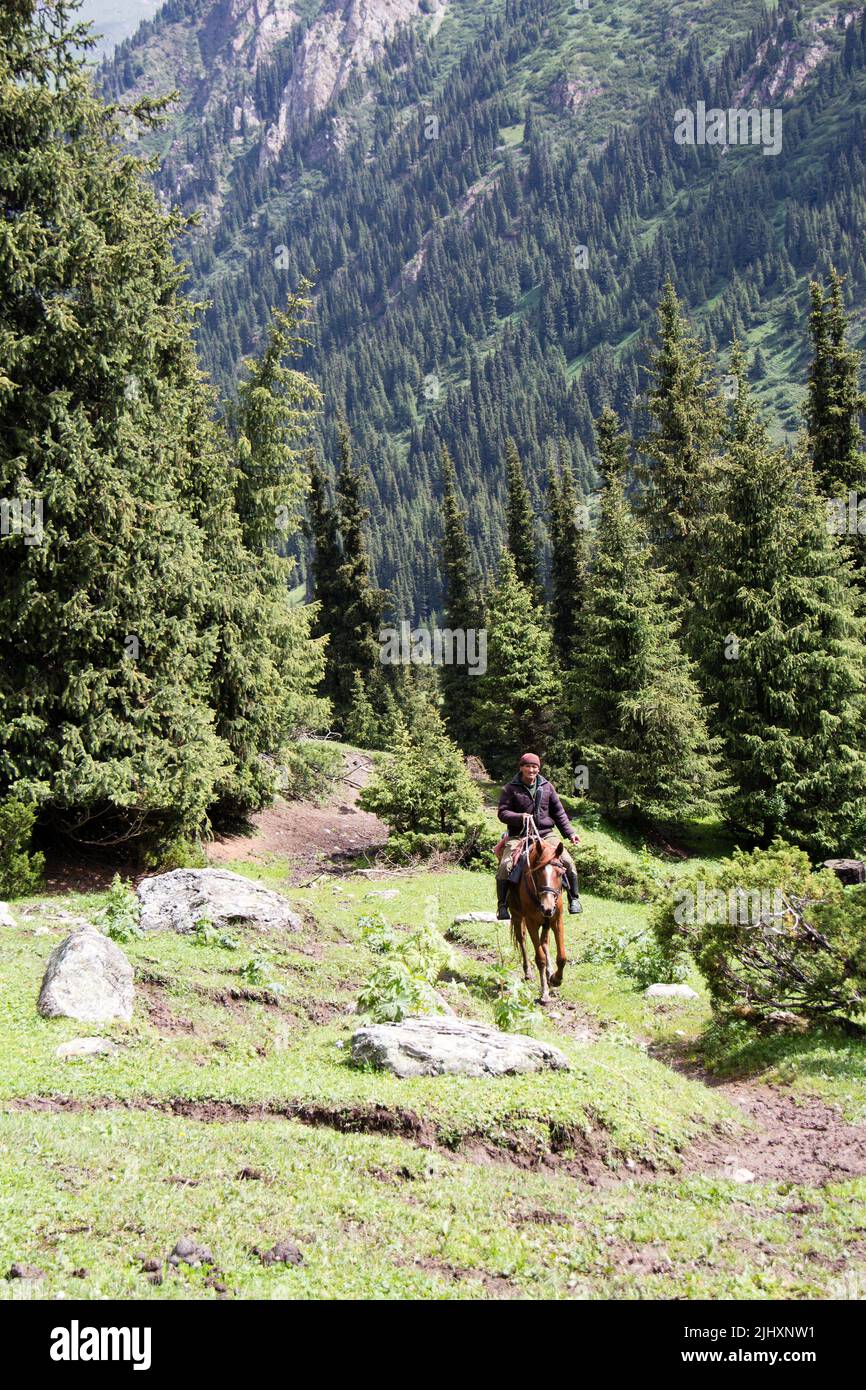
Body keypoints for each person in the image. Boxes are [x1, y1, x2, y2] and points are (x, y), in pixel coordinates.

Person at [495, 752, 582, 919]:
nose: (531, 770)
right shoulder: (510, 788)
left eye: (534, 766)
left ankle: (574, 899)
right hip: (518, 836)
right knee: (505, 866)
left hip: (545, 834)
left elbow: (559, 813)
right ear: (521, 768)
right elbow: (502, 813)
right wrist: (520, 817)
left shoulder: (547, 787)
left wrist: (570, 834)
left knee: (568, 861)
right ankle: (503, 905)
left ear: (538, 768)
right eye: (527, 766)